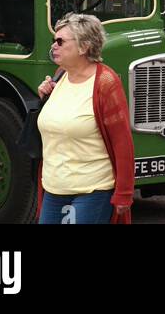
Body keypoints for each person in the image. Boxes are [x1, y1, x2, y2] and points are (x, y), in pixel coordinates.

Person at [36, 13, 134, 224]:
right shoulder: (60, 76)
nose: (54, 46)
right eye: (54, 41)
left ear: (84, 47)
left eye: (61, 41)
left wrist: (124, 193)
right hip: (53, 188)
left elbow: (122, 142)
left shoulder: (106, 83)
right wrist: (45, 98)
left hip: (93, 191)